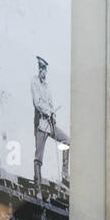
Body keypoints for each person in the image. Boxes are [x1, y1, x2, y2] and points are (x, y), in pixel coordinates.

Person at [30, 55, 69, 189]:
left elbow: (50, 104)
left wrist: (53, 113)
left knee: (67, 141)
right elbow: (37, 103)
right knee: (38, 157)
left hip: (50, 124)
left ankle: (64, 175)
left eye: (45, 69)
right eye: (41, 69)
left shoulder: (47, 86)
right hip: (41, 125)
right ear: (38, 69)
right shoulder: (34, 83)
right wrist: (48, 112)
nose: (43, 72)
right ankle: (38, 186)